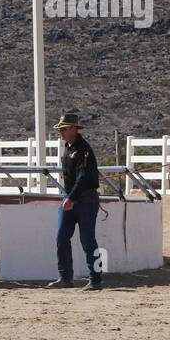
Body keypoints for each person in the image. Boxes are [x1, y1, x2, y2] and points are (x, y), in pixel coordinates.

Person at [46, 112, 103, 290]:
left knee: (88, 240)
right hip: (71, 197)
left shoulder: (83, 149)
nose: (61, 132)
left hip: (85, 199)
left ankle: (95, 280)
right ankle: (65, 277)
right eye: (61, 129)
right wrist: (69, 197)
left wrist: (71, 197)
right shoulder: (69, 148)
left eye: (64, 129)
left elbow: (83, 176)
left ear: (73, 129)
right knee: (62, 237)